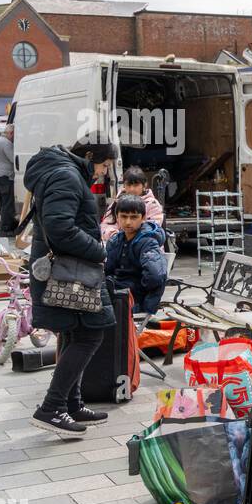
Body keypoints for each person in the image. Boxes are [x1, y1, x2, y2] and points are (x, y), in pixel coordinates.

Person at [23, 138, 118, 437]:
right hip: (69, 270)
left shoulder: (64, 172)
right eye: (104, 166)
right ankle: (52, 408)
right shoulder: (66, 175)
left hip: (70, 268)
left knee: (77, 332)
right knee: (90, 335)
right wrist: (98, 250)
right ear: (89, 156)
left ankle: (72, 403)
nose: (103, 173)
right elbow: (60, 228)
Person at [105, 195, 168, 314]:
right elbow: (107, 270)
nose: (128, 222)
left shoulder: (148, 242)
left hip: (133, 301)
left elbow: (155, 276)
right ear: (117, 217)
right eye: (123, 216)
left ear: (143, 218)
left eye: (134, 217)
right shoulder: (115, 241)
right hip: (116, 294)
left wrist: (139, 291)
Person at [100, 166, 164, 243]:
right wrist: (116, 237)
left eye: (136, 185)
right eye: (128, 185)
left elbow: (152, 229)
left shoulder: (152, 205)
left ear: (144, 185)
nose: (132, 189)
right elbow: (106, 225)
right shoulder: (117, 203)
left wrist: (128, 238)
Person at [0, 124, 16, 236]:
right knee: (8, 204)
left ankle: (4, 227)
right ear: (10, 133)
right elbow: (13, 159)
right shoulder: (6, 143)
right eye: (14, 135)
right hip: (6, 176)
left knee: (3, 203)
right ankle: (6, 229)